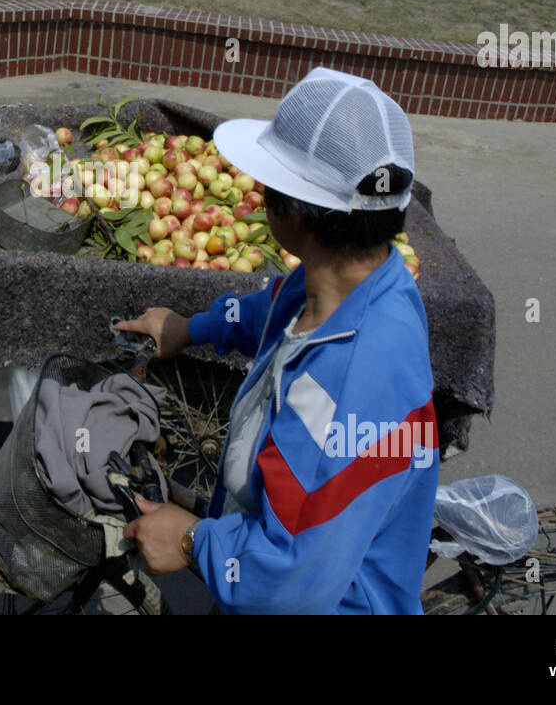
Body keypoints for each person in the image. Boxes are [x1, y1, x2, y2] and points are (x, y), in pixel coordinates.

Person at [117, 68, 438, 613]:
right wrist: (192, 328)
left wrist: (193, 541)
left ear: (295, 211)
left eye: (271, 183)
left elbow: (294, 576)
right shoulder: (355, 281)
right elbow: (269, 309)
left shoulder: (354, 378)